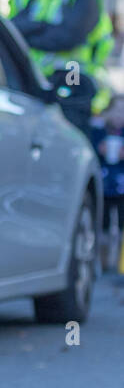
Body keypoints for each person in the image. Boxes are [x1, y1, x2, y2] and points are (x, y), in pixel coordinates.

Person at [8, 0, 112, 138]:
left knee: (68, 140)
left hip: (73, 78)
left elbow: (66, 38)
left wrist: (29, 31)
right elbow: (10, 33)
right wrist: (45, 28)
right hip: (31, 80)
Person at [89, 94, 124, 272]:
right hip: (103, 186)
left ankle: (117, 263)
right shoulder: (98, 131)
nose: (119, 115)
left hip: (121, 187)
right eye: (116, 110)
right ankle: (102, 263)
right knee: (102, 226)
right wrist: (99, 149)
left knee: (119, 228)